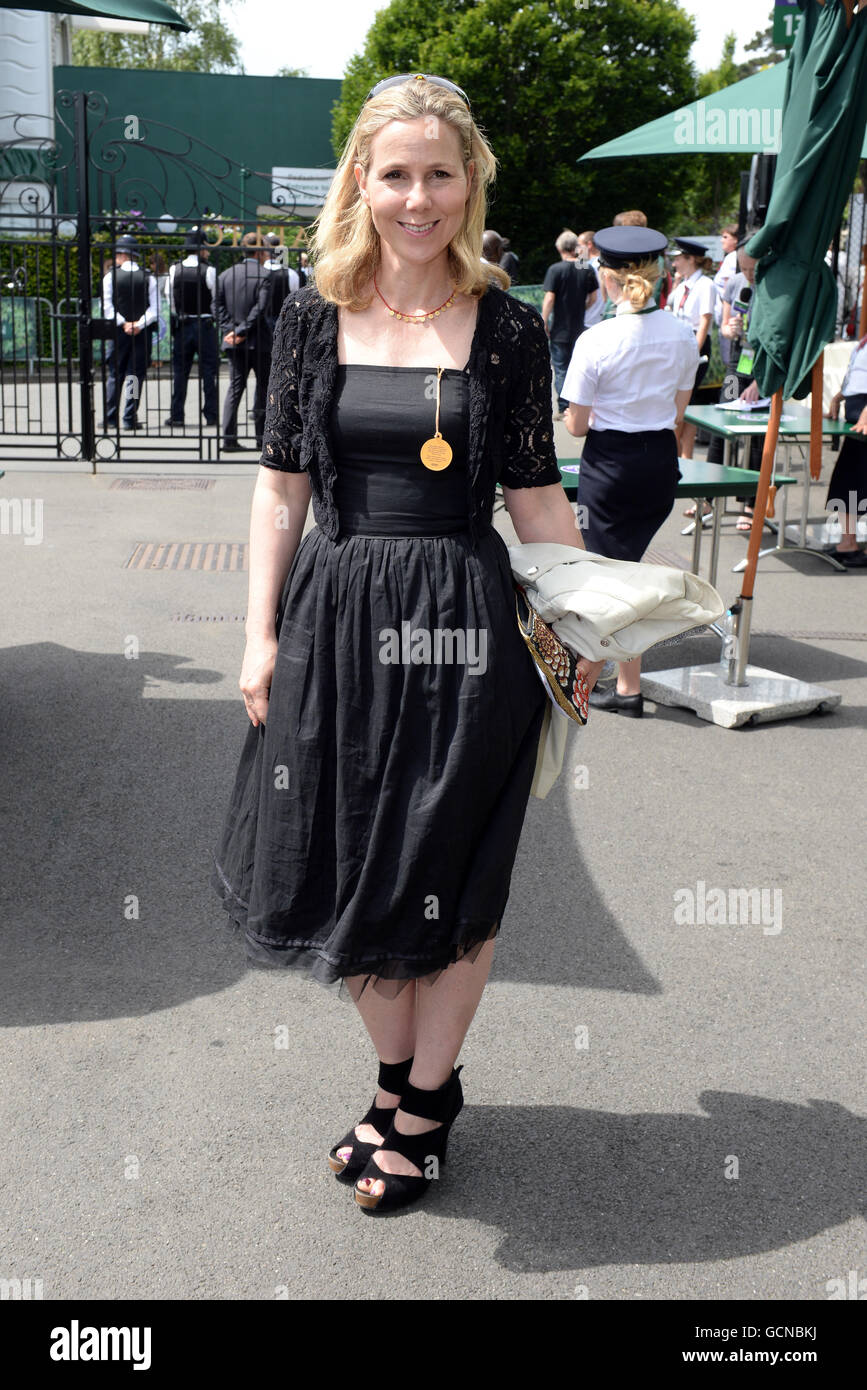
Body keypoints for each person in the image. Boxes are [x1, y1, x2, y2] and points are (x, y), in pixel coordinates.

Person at [210, 72, 605, 1215]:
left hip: (468, 631)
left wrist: (586, 630)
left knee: (451, 868)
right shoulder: (307, 316)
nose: (418, 197)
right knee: (346, 866)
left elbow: (536, 502)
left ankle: (424, 1104)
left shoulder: (513, 327)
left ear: (470, 181)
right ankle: (396, 1082)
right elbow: (280, 492)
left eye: (441, 173)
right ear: (361, 183)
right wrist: (257, 635)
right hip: (335, 622)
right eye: (396, 174)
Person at [561, 225, 699, 717]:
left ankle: (585, 681)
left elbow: (575, 426)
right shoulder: (682, 333)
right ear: (658, 275)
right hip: (659, 463)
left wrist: (581, 414)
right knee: (625, 571)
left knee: (609, 579)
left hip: (611, 465)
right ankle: (625, 685)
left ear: (610, 277)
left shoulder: (597, 339)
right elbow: (679, 413)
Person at [712, 241, 766, 530]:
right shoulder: (735, 284)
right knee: (722, 420)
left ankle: (750, 504)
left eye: (752, 268)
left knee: (757, 433)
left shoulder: (771, 287)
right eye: (743, 268)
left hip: (762, 366)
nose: (748, 274)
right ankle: (707, 497)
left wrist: (761, 381)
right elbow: (723, 323)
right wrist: (727, 328)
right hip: (737, 361)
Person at [215, 232, 273, 451]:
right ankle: (261, 438)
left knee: (235, 389)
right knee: (263, 389)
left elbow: (216, 306)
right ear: (258, 252)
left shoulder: (225, 275)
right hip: (259, 342)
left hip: (234, 342)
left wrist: (231, 331)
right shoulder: (264, 275)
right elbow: (261, 308)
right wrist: (242, 330)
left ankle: (228, 438)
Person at [101, 235, 159, 431]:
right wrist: (139, 324)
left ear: (122, 255)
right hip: (141, 334)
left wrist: (123, 323)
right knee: (134, 375)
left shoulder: (110, 276)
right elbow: (155, 308)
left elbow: (106, 306)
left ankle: (110, 417)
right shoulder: (148, 277)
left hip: (118, 333)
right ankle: (128, 417)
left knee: (114, 375)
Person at [667, 236, 716, 461]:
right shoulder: (684, 285)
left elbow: (705, 320)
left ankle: (683, 454)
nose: (675, 264)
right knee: (683, 401)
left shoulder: (705, 285)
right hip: (679, 343)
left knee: (687, 400)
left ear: (691, 259)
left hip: (695, 344)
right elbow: (671, 309)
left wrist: (693, 354)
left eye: (678, 259)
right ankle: (680, 453)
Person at [541, 230, 598, 420]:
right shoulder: (585, 268)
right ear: (575, 248)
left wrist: (544, 320)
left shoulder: (555, 269)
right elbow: (594, 297)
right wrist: (583, 306)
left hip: (559, 328)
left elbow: (549, 298)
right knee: (579, 368)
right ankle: (578, 406)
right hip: (580, 327)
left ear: (558, 248)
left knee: (561, 369)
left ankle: (564, 407)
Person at [165, 229, 219, 428]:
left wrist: (179, 313)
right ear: (202, 248)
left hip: (183, 324)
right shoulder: (209, 271)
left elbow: (169, 299)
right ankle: (211, 415)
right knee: (208, 372)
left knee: (180, 373)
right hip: (204, 325)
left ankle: (177, 415)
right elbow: (216, 300)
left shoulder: (174, 270)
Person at [825, 335, 867, 566]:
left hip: (864, 419)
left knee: (855, 481)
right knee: (849, 482)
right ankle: (848, 542)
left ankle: (850, 543)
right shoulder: (863, 341)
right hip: (857, 419)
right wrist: (839, 397)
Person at [712, 224, 739, 368]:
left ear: (736, 240)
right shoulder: (730, 257)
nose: (722, 240)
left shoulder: (733, 258)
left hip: (730, 319)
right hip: (728, 318)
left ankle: (733, 391)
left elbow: (728, 292)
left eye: (725, 237)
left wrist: (725, 321)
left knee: (731, 363)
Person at [263, 232, 301, 328]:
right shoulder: (291, 274)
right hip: (283, 323)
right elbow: (295, 299)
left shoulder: (257, 272)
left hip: (261, 326)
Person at [577, 231, 603, 327]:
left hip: (588, 319)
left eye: (579, 245)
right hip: (603, 317)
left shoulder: (587, 266)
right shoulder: (606, 263)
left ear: (589, 245)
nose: (577, 249)